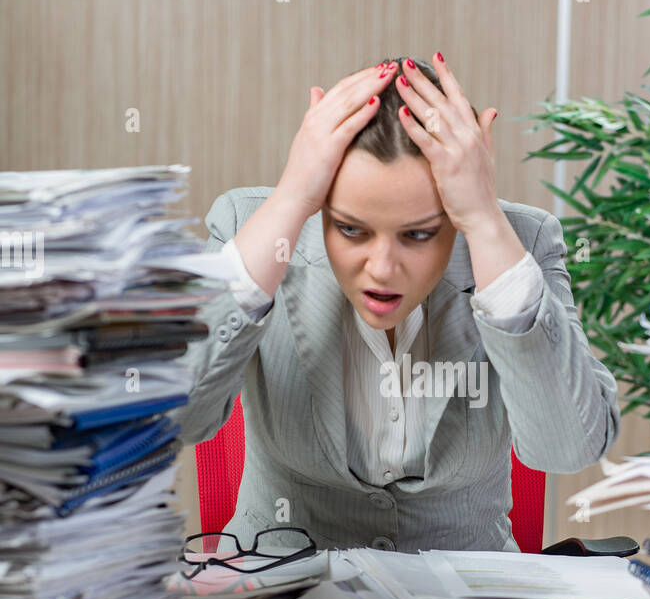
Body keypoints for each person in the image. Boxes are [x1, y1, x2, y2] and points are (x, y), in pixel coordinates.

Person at [174, 53, 620, 552]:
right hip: (281, 586)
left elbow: (570, 447)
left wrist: (485, 222)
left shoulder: (520, 242)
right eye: (350, 229)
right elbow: (175, 418)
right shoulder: (254, 226)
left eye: (419, 234)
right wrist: (291, 199)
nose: (383, 267)